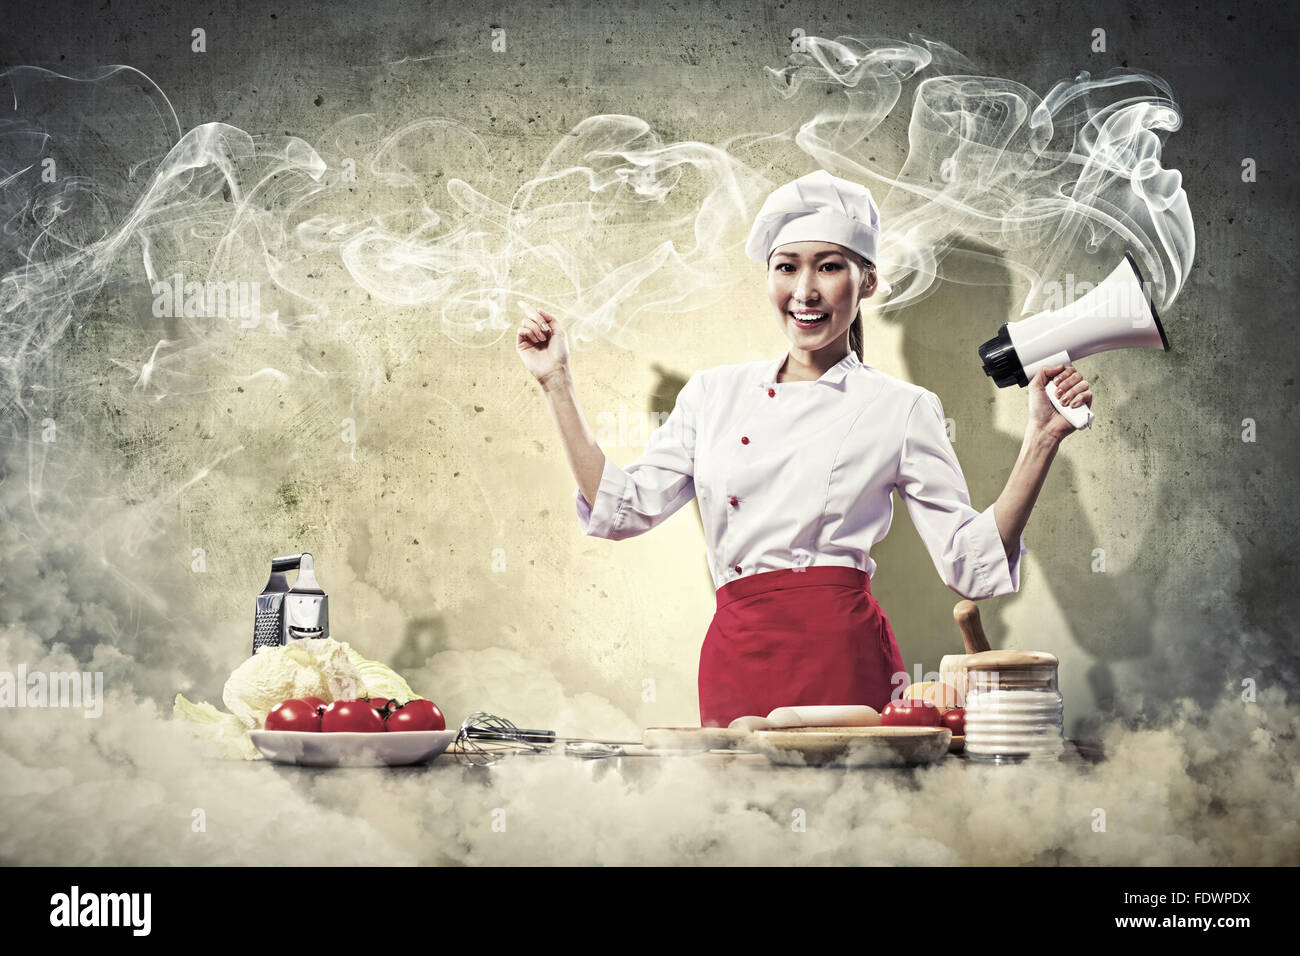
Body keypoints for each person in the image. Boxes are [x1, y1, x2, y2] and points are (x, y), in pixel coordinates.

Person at [515, 169, 1092, 728]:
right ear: (769, 279)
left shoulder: (902, 408)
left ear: (865, 281)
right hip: (735, 657)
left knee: (850, 817)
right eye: (787, 267)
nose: (805, 291)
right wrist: (556, 385)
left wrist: (1042, 437)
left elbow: (969, 566)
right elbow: (622, 509)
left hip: (843, 662)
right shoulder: (712, 395)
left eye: (830, 267)